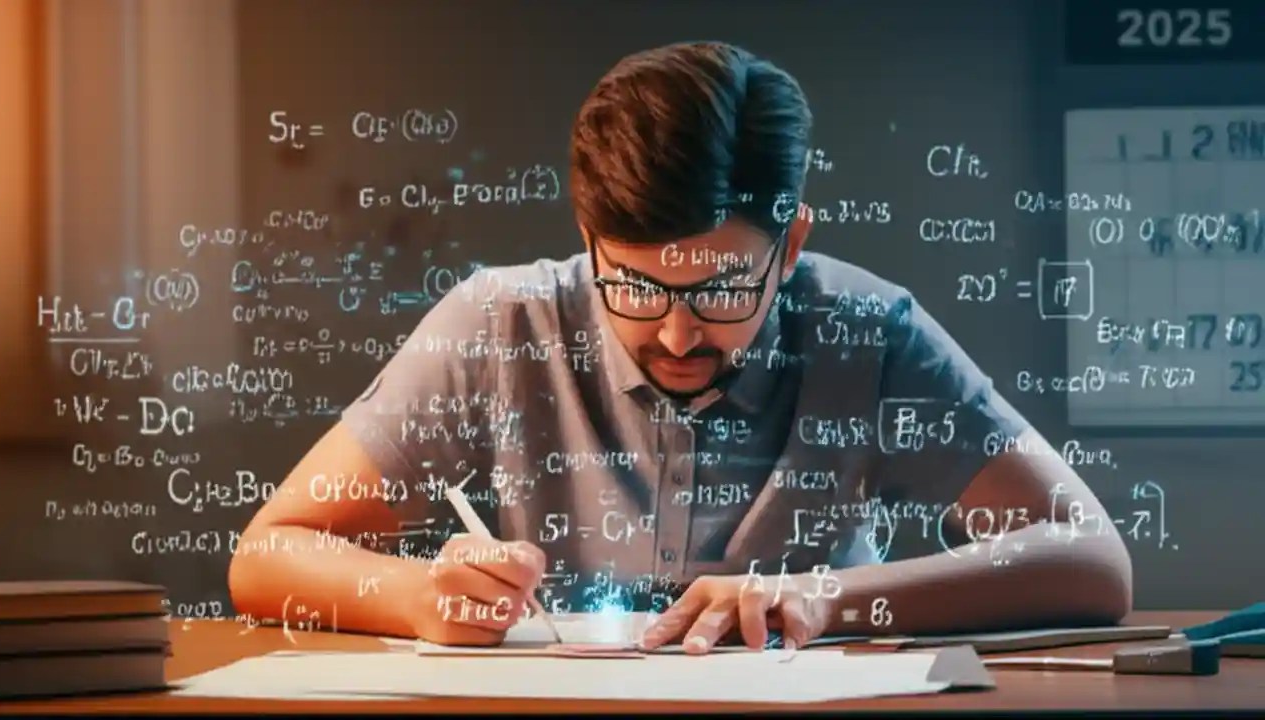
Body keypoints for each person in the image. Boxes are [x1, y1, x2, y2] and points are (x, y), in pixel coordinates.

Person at [229, 40, 1132, 654]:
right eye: (634, 284)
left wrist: (828, 596)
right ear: (588, 238)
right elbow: (267, 554)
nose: (675, 331)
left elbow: (1093, 559)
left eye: (722, 288)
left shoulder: (869, 331)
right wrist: (419, 599)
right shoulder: (499, 322)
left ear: (792, 246)